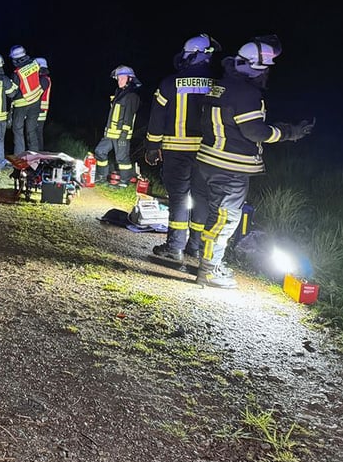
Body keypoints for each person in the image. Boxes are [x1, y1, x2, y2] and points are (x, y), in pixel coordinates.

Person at [193, 36, 314, 288]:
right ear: (254, 67)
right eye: (265, 68)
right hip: (230, 166)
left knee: (214, 215)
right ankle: (210, 270)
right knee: (225, 220)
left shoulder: (219, 85)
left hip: (207, 160)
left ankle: (204, 259)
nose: (266, 73)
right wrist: (288, 132)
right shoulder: (248, 93)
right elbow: (254, 132)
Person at [144, 35, 220, 265]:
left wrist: (152, 147)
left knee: (178, 197)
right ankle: (195, 247)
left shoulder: (170, 83)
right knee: (201, 198)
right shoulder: (218, 85)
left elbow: (157, 118)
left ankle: (174, 247)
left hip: (176, 150)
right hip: (207, 153)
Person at [93, 65, 142, 186]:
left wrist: (124, 136)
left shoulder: (132, 96)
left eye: (122, 78)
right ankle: (102, 177)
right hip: (111, 133)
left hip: (121, 135)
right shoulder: (119, 94)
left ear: (130, 79)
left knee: (122, 159)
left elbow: (129, 117)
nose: (119, 81)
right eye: (118, 78)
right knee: (100, 151)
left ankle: (124, 182)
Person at [8, 45, 44, 154]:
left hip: (21, 104)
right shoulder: (35, 64)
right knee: (31, 130)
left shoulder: (17, 73)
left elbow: (12, 93)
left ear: (16, 59)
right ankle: (34, 155)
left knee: (17, 129)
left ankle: (19, 156)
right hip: (36, 101)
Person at [34, 57, 51, 150]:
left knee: (37, 133)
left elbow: (37, 94)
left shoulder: (43, 80)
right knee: (36, 133)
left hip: (40, 110)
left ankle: (39, 153)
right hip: (40, 109)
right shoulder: (43, 79)